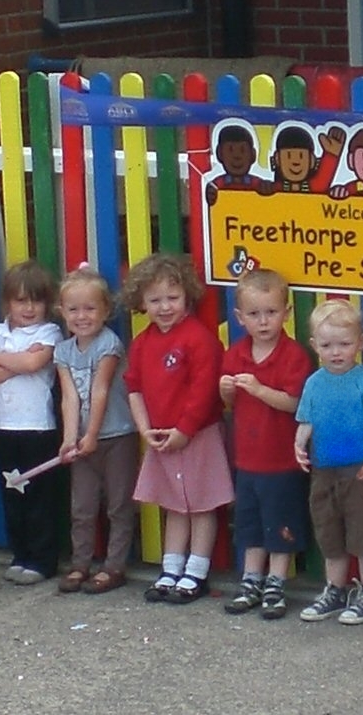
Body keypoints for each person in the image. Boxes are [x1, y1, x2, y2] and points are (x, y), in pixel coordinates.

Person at [123, 253, 233, 604]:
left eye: (172, 298)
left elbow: (204, 390)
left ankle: (196, 571)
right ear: (141, 303)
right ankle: (171, 568)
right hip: (161, 437)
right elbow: (134, 387)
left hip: (198, 436)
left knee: (201, 505)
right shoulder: (142, 342)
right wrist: (145, 429)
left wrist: (184, 429)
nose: (165, 307)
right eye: (155, 300)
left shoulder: (198, 338)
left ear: (187, 295)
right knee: (173, 505)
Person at [218, 268, 312, 619]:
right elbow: (229, 406)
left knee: (281, 523)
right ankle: (251, 579)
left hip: (282, 460)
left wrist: (258, 389)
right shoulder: (237, 353)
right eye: (255, 315)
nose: (263, 321)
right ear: (240, 317)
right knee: (250, 524)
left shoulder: (292, 355)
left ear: (286, 313)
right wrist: (226, 391)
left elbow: (295, 404)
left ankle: (276, 581)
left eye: (271, 313)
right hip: (247, 459)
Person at [293, 299, 363, 625]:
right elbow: (306, 419)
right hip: (323, 468)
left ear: (360, 343)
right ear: (315, 346)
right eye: (327, 345)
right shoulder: (314, 382)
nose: (336, 352)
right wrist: (299, 444)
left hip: (358, 469)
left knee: (362, 532)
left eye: (344, 344)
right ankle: (334, 589)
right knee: (328, 531)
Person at [0, 260, 64, 585]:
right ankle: (20, 554)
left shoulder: (49, 332)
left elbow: (34, 362)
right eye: (20, 300)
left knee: (39, 495)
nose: (28, 308)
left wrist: (0, 358)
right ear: (7, 303)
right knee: (12, 493)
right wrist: (18, 360)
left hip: (37, 426)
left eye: (36, 300)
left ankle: (43, 559)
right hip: (1, 425)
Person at [53, 265, 137, 595]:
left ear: (105, 310)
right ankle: (80, 563)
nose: (82, 316)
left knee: (118, 504)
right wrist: (70, 438)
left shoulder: (109, 344)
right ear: (62, 312)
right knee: (82, 506)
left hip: (116, 435)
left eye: (90, 308)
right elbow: (69, 396)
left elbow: (100, 390)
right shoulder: (63, 351)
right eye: (73, 309)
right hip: (83, 442)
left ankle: (114, 565)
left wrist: (91, 435)